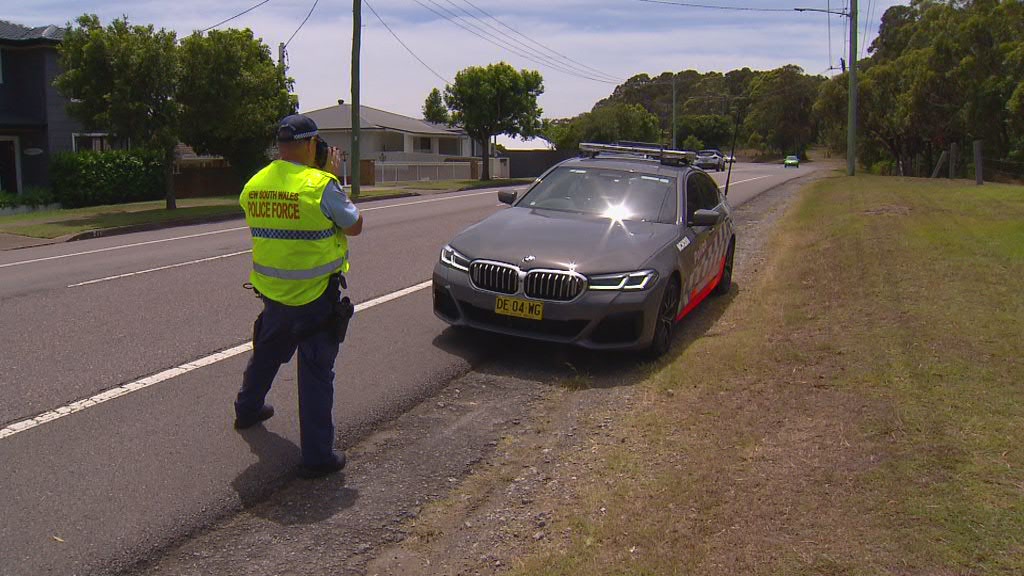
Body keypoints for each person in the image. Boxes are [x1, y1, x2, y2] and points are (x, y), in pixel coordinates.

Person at [233, 114, 363, 479]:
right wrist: (335, 178)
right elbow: (355, 226)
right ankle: (318, 456)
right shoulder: (322, 185)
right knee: (316, 371)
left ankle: (247, 409)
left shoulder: (254, 184)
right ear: (312, 144)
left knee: (267, 353)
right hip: (314, 297)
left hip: (273, 293)